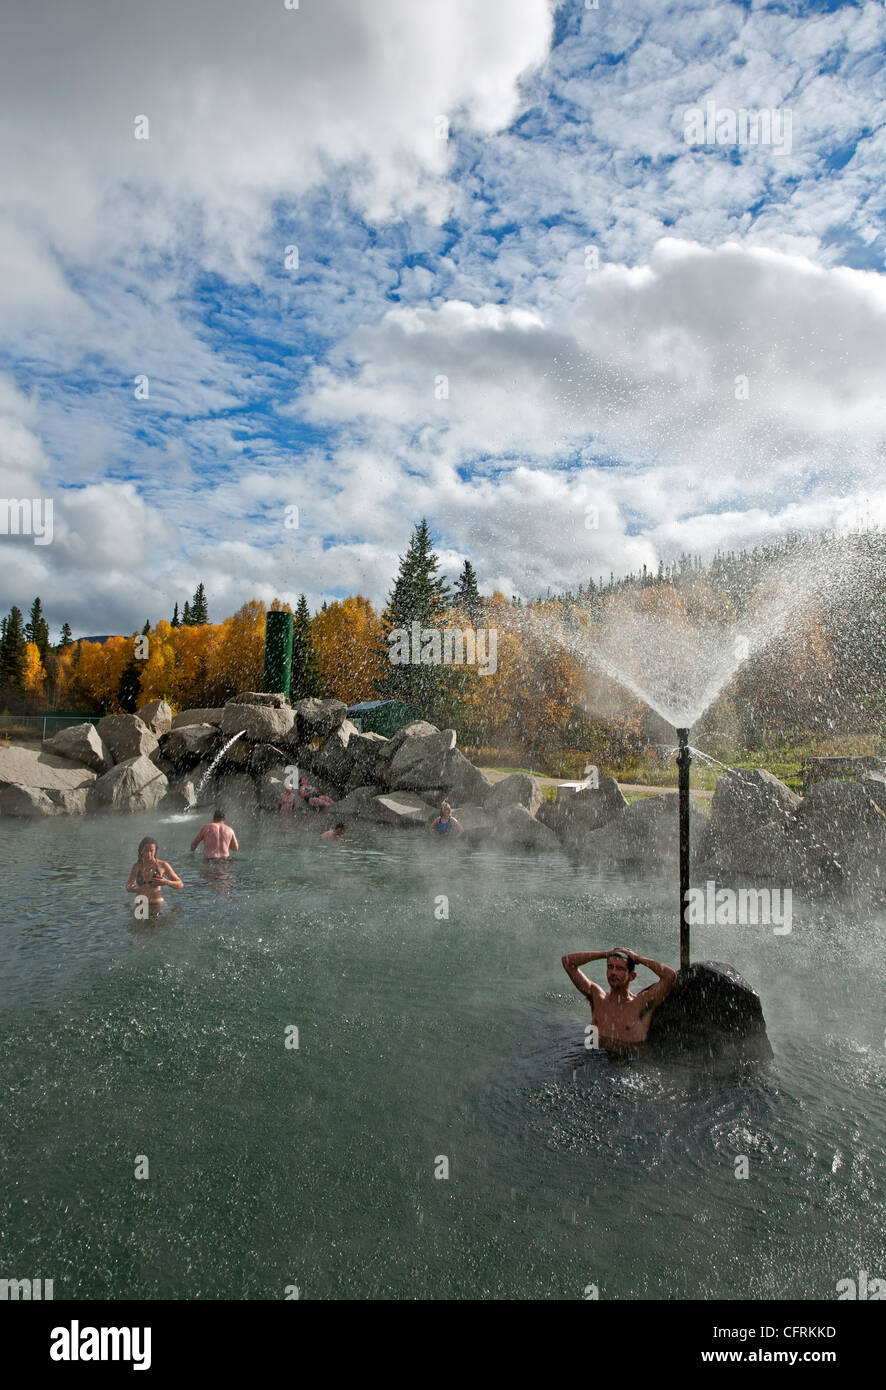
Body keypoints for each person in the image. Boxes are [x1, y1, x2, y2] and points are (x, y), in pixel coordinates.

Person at [561, 947, 677, 1053]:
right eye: (610, 967)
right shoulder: (597, 997)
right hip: (595, 1055)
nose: (613, 972)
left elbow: (669, 976)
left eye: (620, 969)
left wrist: (638, 958)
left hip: (626, 1063)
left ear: (632, 976)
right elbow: (568, 962)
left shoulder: (640, 1003)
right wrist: (605, 954)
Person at [126, 837, 183, 911]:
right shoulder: (137, 866)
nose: (149, 854)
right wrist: (134, 889)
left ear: (155, 851)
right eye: (146, 851)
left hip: (157, 904)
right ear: (141, 851)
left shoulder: (162, 865)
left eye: (151, 851)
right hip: (140, 904)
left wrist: (166, 882)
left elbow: (180, 884)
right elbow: (128, 885)